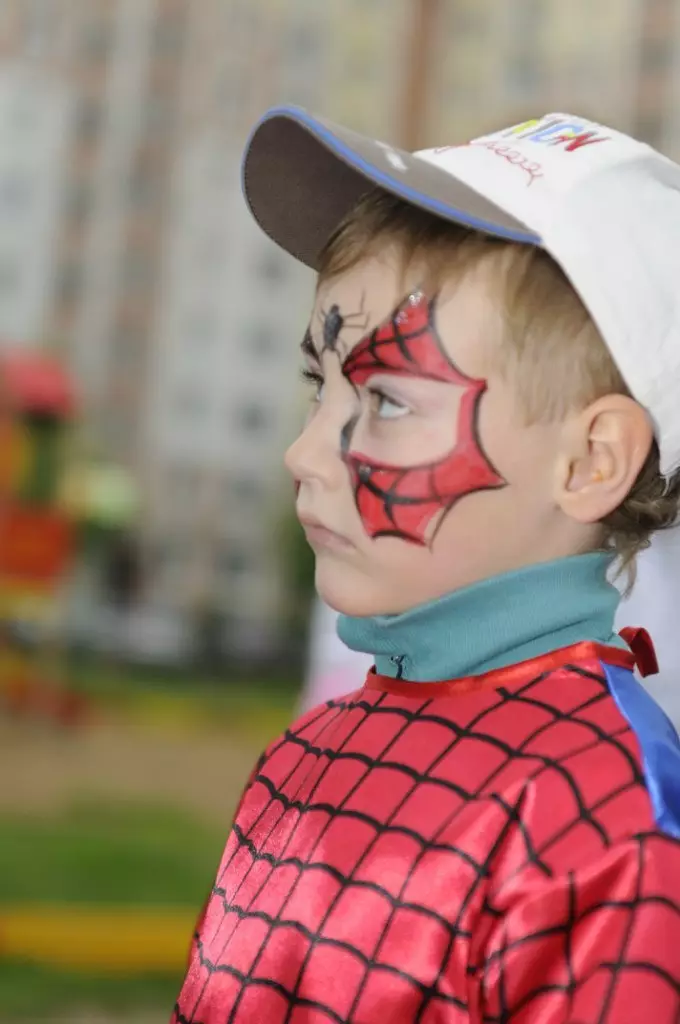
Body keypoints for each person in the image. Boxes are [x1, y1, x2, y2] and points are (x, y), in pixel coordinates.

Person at [173, 110, 680, 1022]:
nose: (304, 452)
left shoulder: (609, 820)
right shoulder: (301, 756)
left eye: (386, 399)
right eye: (317, 389)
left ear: (590, 461)